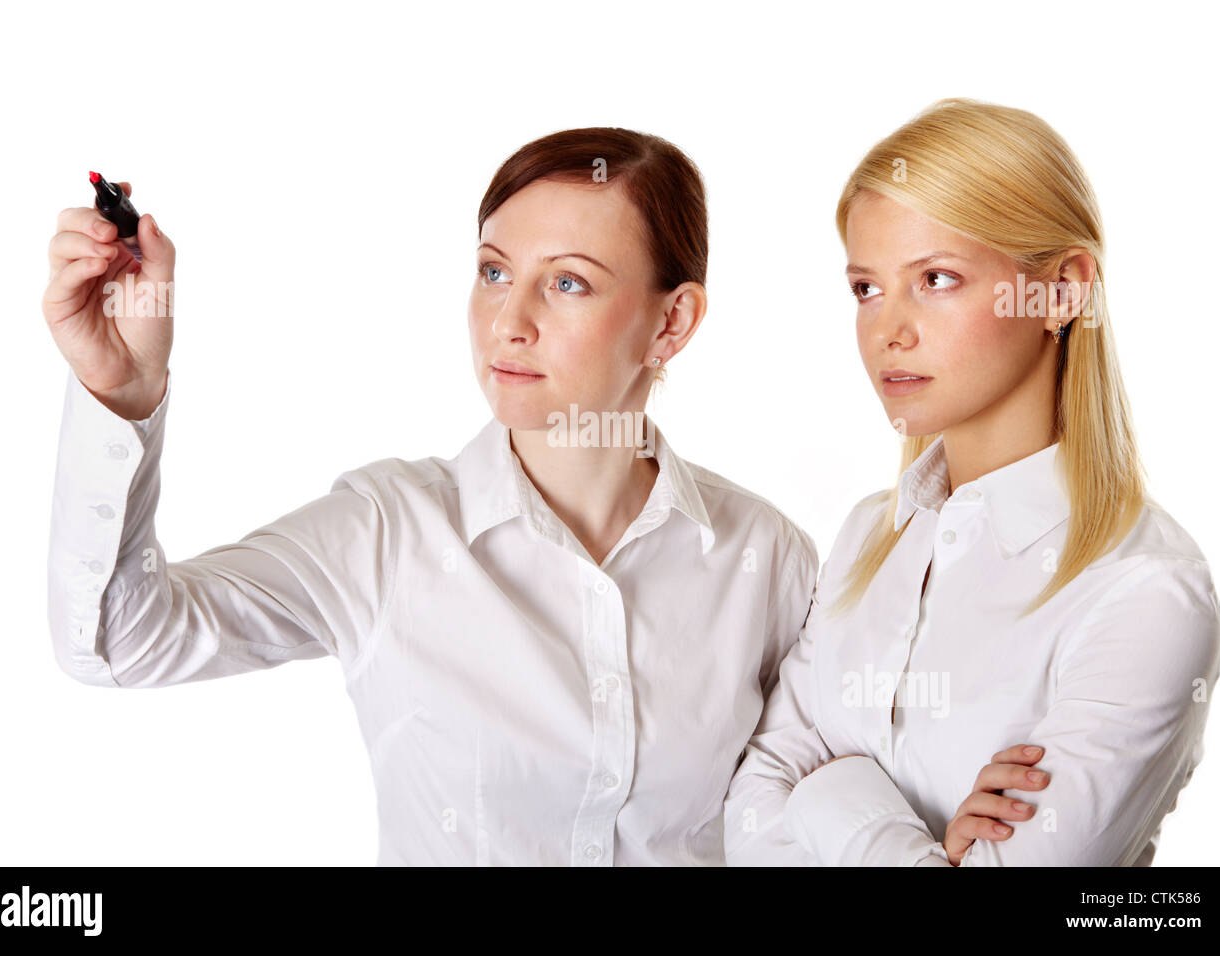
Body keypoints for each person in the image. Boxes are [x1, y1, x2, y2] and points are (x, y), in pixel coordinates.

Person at [43, 127, 826, 866]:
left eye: (567, 282)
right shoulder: (387, 531)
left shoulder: (766, 558)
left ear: (672, 322)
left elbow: (814, 794)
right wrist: (123, 391)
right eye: (493, 272)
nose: (508, 321)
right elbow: (120, 640)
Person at [723, 99, 1220, 867]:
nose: (888, 327)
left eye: (937, 277)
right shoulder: (868, 534)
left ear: (1061, 293)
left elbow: (794, 795)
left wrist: (833, 792)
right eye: (866, 288)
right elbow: (749, 822)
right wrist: (924, 849)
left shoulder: (1144, 592)